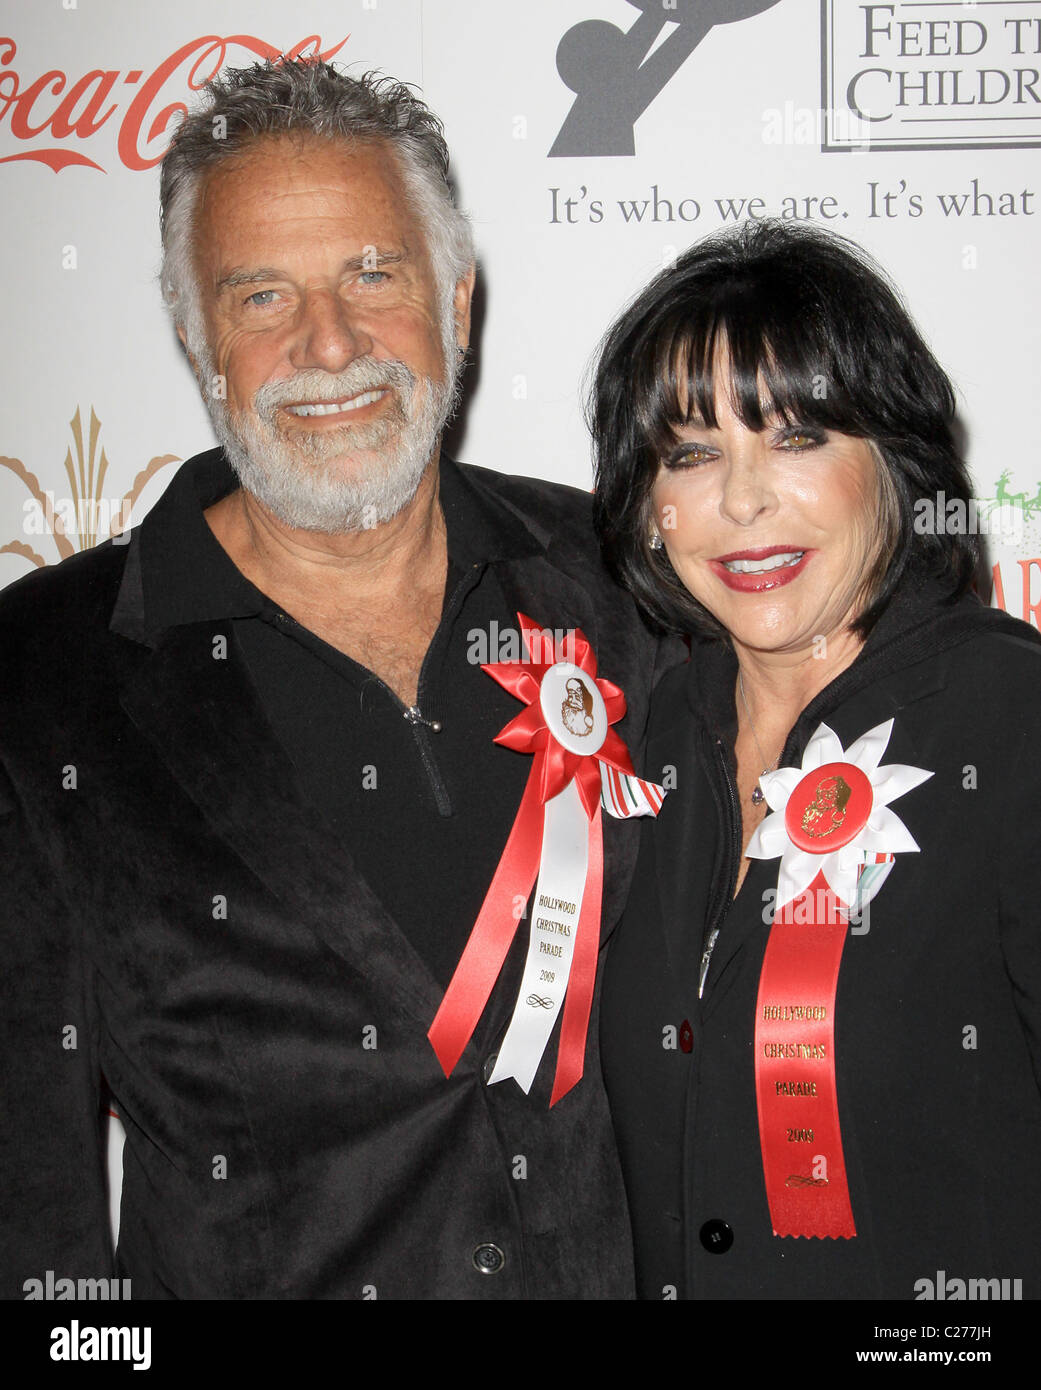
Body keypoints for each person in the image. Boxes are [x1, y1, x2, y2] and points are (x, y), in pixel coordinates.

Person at [0, 59, 678, 1300]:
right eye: (262, 296)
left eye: (375, 272)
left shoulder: (627, 583)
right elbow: (27, 1214)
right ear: (198, 340)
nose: (330, 344)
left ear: (457, 302)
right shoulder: (37, 677)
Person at [590, 219, 1041, 1300]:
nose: (743, 501)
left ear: (892, 462)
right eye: (692, 453)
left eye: (796, 438)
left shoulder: (1007, 718)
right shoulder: (646, 742)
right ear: (648, 505)